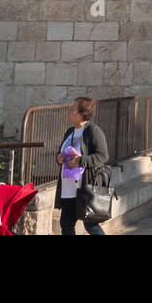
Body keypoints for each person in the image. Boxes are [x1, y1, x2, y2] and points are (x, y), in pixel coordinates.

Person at [55, 96, 109, 235]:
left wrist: (80, 161)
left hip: (84, 187)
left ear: (81, 114)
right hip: (68, 188)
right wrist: (59, 157)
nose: (68, 111)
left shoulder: (93, 131)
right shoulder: (69, 132)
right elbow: (61, 151)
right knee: (66, 225)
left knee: (90, 225)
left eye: (72, 109)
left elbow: (103, 156)